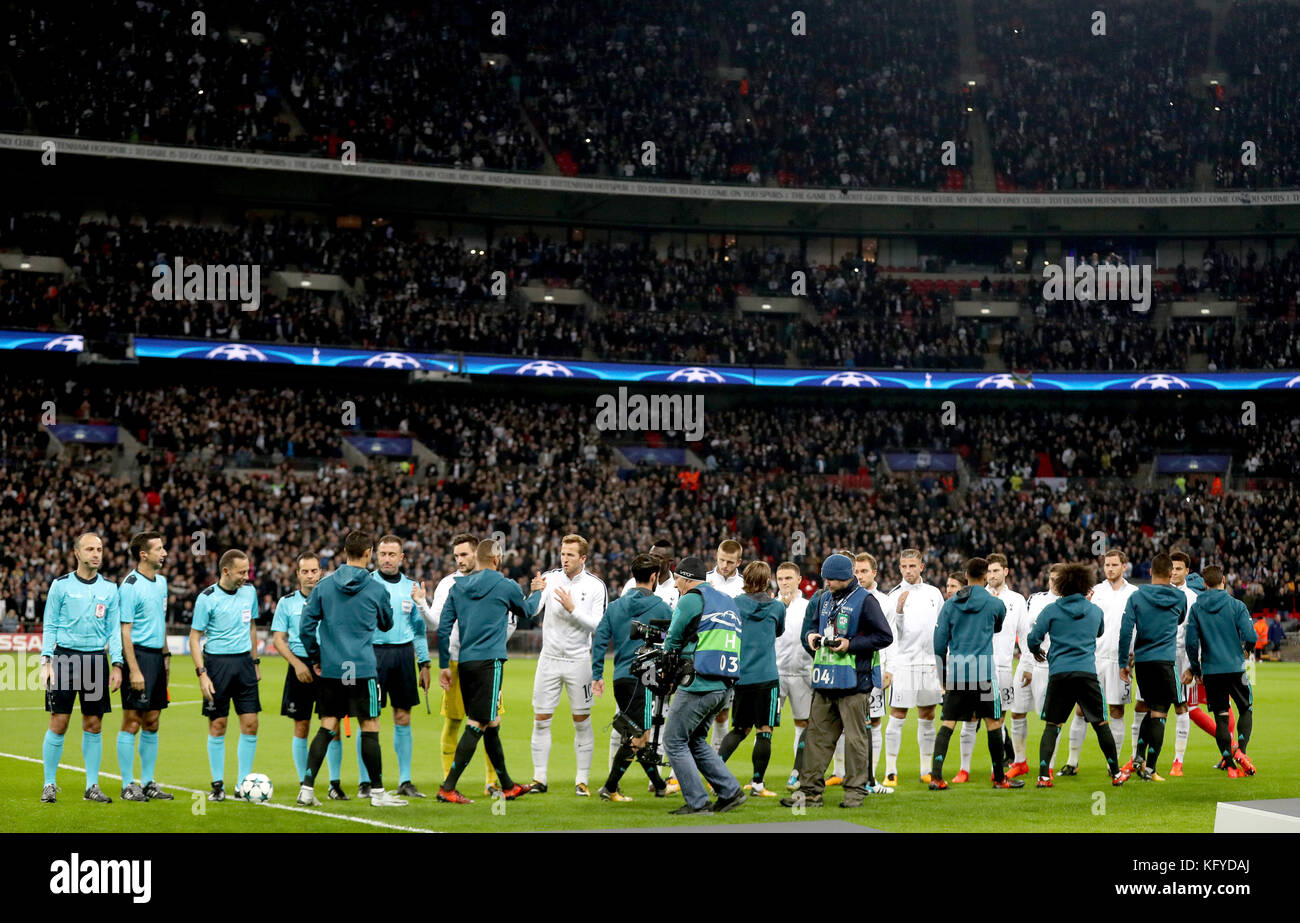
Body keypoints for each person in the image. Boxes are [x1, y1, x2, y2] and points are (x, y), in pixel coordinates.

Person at [297, 530, 406, 807]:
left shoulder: (324, 586)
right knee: (369, 726)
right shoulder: (376, 588)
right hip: (362, 667)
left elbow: (305, 628)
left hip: (334, 668)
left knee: (327, 726)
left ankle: (307, 791)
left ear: (345, 551)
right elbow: (386, 624)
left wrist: (316, 656)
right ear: (369, 553)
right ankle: (378, 794)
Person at [780, 553, 892, 808]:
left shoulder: (866, 601)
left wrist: (851, 644)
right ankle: (810, 793)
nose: (826, 583)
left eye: (831, 579)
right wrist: (811, 637)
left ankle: (854, 793)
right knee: (817, 738)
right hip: (825, 679)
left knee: (855, 740)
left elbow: (884, 637)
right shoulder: (823, 599)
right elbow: (809, 629)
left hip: (854, 683)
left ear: (845, 578)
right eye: (825, 578)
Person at [435, 539, 533, 804]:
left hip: (464, 663)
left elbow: (443, 629)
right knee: (478, 723)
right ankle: (448, 787)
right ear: (497, 560)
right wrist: (538, 591)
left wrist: (444, 665)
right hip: (490, 663)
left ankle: (508, 786)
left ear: (477, 558)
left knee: (492, 723)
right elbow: (529, 611)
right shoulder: (506, 585)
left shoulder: (457, 587)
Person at [39, 532, 123, 804]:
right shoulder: (60, 585)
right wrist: (46, 661)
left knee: (94, 724)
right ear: (77, 553)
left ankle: (92, 786)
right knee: (59, 722)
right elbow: (50, 624)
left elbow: (114, 630)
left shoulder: (110, 589)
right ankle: (49, 784)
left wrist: (117, 664)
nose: (96, 553)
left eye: (99, 548)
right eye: (90, 549)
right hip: (64, 658)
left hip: (96, 660)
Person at [1026, 562, 1127, 788]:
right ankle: (1116, 773)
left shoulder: (1051, 609)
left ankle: (1043, 776)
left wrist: (1038, 652)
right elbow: (1099, 631)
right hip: (1087, 673)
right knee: (1101, 723)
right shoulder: (1095, 610)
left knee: (1052, 724)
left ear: (1061, 585)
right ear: (1085, 585)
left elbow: (1033, 638)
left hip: (1060, 673)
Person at [660, 555, 747, 815]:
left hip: (699, 682)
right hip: (724, 685)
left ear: (687, 580)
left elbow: (673, 639)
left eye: (677, 580)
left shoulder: (691, 599)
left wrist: (669, 666)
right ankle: (730, 791)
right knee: (696, 740)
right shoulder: (726, 601)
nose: (675, 585)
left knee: (673, 740)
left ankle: (697, 802)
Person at [523, 533, 608, 796]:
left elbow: (600, 626)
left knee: (581, 721)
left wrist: (574, 609)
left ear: (583, 558)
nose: (565, 558)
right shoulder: (550, 578)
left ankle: (581, 780)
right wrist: (534, 593)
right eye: (562, 553)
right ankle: (539, 779)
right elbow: (531, 612)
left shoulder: (595, 586)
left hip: (578, 661)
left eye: (571, 554)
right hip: (548, 659)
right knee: (540, 720)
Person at [929, 557, 1022, 790]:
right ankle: (1000, 778)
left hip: (958, 672)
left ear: (966, 576)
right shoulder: (995, 604)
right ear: (984, 577)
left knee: (948, 723)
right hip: (984, 673)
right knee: (993, 724)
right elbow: (997, 627)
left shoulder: (950, 605)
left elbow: (939, 646)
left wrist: (943, 678)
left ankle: (936, 777)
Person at [427, 533, 508, 795]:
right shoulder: (447, 584)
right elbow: (439, 623)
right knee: (454, 721)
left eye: (464, 555)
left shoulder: (494, 582)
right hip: (455, 660)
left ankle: (491, 783)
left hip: (485, 659)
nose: (460, 560)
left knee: (490, 720)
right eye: (456, 556)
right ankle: (449, 780)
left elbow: (510, 621)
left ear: (478, 554)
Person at [592, 552, 671, 800]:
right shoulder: (661, 607)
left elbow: (600, 639)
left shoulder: (616, 607)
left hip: (620, 679)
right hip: (645, 677)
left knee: (636, 734)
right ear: (654, 576)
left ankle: (659, 785)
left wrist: (597, 673)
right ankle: (610, 787)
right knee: (640, 736)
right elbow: (676, 639)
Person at [363, 534, 434, 799]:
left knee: (402, 717)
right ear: (376, 555)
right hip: (373, 655)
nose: (387, 559)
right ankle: (366, 781)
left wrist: (424, 662)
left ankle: (405, 780)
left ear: (401, 557)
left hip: (403, 655)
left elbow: (418, 628)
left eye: (392, 554)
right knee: (370, 719)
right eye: (382, 554)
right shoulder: (366, 583)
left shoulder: (412, 587)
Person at [271, 552, 346, 801]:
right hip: (300, 667)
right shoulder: (286, 603)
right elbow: (278, 640)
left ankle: (334, 784)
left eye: (314, 571)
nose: (310, 575)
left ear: (321, 572)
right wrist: (296, 664)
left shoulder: (332, 600)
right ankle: (305, 784)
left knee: (333, 726)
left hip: (329, 666)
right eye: (305, 571)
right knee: (301, 726)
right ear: (297, 574)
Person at [189, 548, 261, 803]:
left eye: (247, 571)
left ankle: (244, 784)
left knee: (251, 723)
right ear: (226, 571)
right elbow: (194, 637)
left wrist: (255, 661)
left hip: (244, 664)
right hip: (216, 665)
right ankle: (217, 784)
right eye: (242, 572)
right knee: (218, 725)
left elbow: (252, 626)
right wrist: (202, 674)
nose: (246, 576)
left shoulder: (249, 592)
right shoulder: (207, 598)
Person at [1062, 549, 1137, 776]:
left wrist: (1132, 654)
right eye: (1107, 565)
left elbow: (1137, 625)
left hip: (1119, 660)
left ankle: (1111, 764)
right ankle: (1072, 762)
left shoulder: (1134, 593)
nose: (1110, 569)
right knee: (1081, 710)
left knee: (1116, 710)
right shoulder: (1095, 592)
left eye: (1115, 565)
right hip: (1093, 659)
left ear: (1124, 566)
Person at [956, 552, 1027, 784]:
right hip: (975, 667)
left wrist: (1028, 664)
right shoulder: (974, 597)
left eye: (997, 570)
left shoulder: (1016, 600)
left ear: (1006, 572)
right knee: (969, 719)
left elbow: (1024, 635)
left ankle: (996, 770)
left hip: (1004, 669)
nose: (992, 575)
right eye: (990, 571)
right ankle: (963, 769)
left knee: (997, 720)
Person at [717, 561, 785, 796]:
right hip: (767, 676)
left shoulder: (735, 604)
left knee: (740, 728)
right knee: (764, 729)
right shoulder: (777, 607)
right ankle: (757, 784)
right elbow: (778, 631)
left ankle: (714, 774)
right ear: (767, 581)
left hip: (742, 676)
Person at [1117, 553, 1187, 782]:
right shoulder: (1179, 598)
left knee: (1149, 708)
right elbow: (1179, 620)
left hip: (1143, 662)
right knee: (1159, 713)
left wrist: (1122, 663)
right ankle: (1151, 769)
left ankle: (1138, 757)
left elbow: (1126, 631)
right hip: (1165, 660)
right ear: (1170, 574)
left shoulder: (1136, 597)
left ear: (1149, 572)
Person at [116, 531, 175, 802]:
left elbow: (159, 622)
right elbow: (124, 632)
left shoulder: (161, 582)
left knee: (152, 721)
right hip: (137, 656)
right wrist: (134, 669)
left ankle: (149, 782)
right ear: (144, 554)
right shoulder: (129, 585)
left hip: (156, 658)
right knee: (132, 721)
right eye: (159, 549)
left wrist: (166, 657)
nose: (164, 553)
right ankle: (128, 784)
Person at [1183, 566, 1257, 778]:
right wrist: (1246, 651)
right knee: (1246, 708)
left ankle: (1230, 763)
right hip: (1235, 668)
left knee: (1221, 717)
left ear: (1204, 584)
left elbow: (1191, 642)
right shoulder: (1236, 605)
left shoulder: (1196, 608)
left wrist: (1196, 669)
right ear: (1223, 580)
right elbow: (1251, 636)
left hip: (1211, 670)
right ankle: (1242, 753)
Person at [883, 548, 946, 787]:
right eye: (903, 566)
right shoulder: (893, 597)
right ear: (899, 568)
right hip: (904, 664)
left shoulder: (934, 593)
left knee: (927, 716)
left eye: (912, 566)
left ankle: (926, 769)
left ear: (921, 567)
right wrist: (898, 612)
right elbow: (890, 635)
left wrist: (941, 665)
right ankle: (890, 771)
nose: (907, 570)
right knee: (897, 716)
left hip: (929, 664)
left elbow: (941, 629)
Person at [1009, 563, 1063, 778]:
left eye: (1059, 580)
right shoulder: (1035, 599)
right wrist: (1027, 662)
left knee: (1051, 718)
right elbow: (1026, 631)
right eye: (1052, 579)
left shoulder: (1068, 603)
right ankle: (1020, 761)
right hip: (1027, 662)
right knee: (1017, 712)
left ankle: (1048, 765)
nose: (1054, 583)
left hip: (1049, 666)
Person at [853, 552, 893, 790]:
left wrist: (889, 669)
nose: (859, 576)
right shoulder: (847, 598)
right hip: (848, 670)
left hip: (875, 669)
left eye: (864, 571)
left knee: (873, 722)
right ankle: (848, 774)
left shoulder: (884, 602)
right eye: (856, 571)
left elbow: (891, 639)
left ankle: (870, 778)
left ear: (874, 573)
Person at [775, 562, 813, 791]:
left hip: (801, 674)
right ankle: (758, 780)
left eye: (789, 578)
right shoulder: (772, 606)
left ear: (799, 579)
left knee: (803, 723)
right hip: (775, 673)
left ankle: (797, 773)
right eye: (780, 578)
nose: (784, 582)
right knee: (764, 725)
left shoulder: (808, 607)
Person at [705, 539, 745, 751]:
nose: (724, 565)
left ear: (739, 561)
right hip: (703, 655)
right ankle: (677, 773)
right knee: (696, 712)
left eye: (730, 562)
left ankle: (715, 768)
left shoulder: (744, 586)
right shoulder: (703, 581)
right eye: (721, 560)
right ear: (716, 556)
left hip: (730, 656)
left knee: (722, 715)